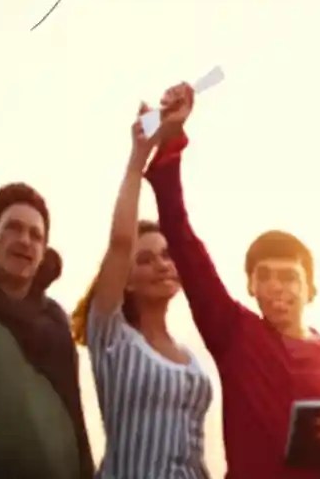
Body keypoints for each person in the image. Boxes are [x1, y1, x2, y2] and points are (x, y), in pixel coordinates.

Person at [144, 82, 320, 478]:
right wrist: (172, 141)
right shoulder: (235, 336)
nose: (277, 287)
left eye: (289, 277)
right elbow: (181, 238)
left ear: (310, 288)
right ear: (251, 286)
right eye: (265, 277)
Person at [70, 103, 213, 478]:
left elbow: (195, 456)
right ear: (126, 281)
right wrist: (139, 157)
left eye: (167, 256)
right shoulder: (112, 339)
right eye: (146, 259)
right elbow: (120, 241)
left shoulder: (192, 359)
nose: (162, 264)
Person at [0, 182, 95, 478]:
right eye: (13, 228)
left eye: (36, 235)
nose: (25, 241)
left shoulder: (58, 324)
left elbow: (77, 424)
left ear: (44, 251)